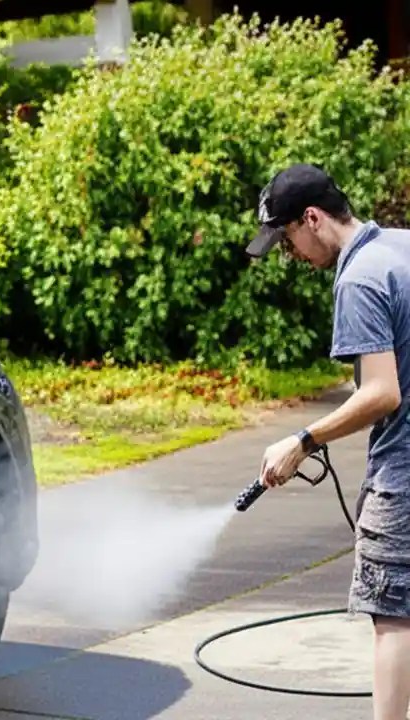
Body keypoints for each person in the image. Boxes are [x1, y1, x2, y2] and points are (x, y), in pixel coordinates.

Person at [247, 162, 410, 720]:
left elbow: (383, 393)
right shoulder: (402, 247)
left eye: (287, 237)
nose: (289, 254)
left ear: (312, 219)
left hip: (406, 477)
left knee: (394, 618)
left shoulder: (361, 276)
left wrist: (303, 440)